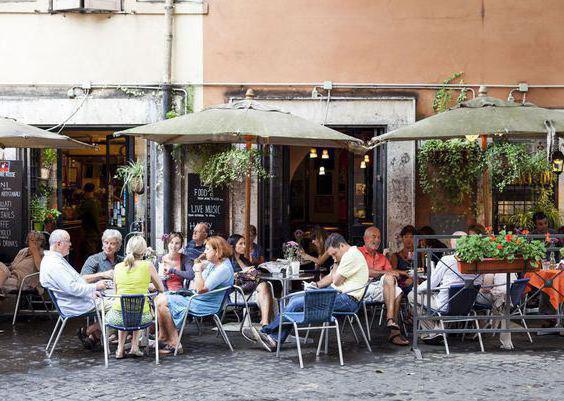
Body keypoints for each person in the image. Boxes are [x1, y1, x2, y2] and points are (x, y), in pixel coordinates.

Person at [258, 233, 369, 351]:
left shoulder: (350, 256)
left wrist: (336, 262)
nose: (333, 257)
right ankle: (274, 338)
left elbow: (336, 281)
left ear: (341, 246)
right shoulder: (348, 254)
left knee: (296, 303)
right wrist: (316, 285)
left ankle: (267, 331)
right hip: (338, 295)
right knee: (295, 300)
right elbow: (332, 277)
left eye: (334, 254)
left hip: (347, 300)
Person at [155, 236, 235, 354]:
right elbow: (203, 268)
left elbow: (200, 289)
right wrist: (201, 263)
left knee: (162, 301)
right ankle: (163, 337)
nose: (204, 252)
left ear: (217, 251)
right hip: (198, 298)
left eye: (207, 249)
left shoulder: (222, 269)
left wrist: (197, 270)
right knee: (159, 299)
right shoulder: (216, 263)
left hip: (204, 303)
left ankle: (174, 342)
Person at [39, 229, 110, 349]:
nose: (71, 244)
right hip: (75, 303)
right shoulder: (54, 264)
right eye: (68, 241)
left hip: (74, 300)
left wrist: (92, 291)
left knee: (114, 304)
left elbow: (73, 285)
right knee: (120, 307)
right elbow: (72, 288)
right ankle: (89, 331)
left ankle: (94, 336)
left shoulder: (53, 260)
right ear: (59, 244)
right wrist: (95, 286)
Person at [408, 231, 482, 344]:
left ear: (452, 244)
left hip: (444, 305)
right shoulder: (478, 262)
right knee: (438, 296)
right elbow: (479, 282)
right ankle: (438, 330)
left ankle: (433, 331)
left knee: (412, 296)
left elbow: (431, 284)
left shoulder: (447, 260)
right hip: (466, 306)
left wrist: (416, 289)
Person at [105, 236, 164, 359]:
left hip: (117, 318)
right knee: (137, 308)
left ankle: (120, 349)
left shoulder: (117, 267)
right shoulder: (148, 266)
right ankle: (134, 347)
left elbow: (117, 293)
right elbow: (161, 288)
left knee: (125, 306)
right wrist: (146, 286)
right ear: (143, 251)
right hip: (141, 318)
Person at [359, 226, 408, 346]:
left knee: (398, 290)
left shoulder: (382, 257)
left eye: (379, 237)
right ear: (365, 239)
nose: (377, 240)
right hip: (363, 287)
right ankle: (393, 329)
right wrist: (386, 273)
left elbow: (391, 274)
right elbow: (364, 272)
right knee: (391, 282)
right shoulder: (357, 252)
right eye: (373, 236)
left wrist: (394, 274)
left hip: (380, 289)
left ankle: (391, 323)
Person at [227, 234, 274, 332]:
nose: (244, 246)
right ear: (232, 246)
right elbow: (229, 276)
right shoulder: (227, 261)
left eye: (244, 243)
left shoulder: (244, 259)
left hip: (250, 287)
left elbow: (255, 272)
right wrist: (244, 273)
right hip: (236, 291)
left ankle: (266, 323)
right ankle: (266, 323)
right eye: (241, 244)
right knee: (264, 285)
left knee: (265, 285)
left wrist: (251, 272)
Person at [477, 273, 517, 350]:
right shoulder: (512, 272)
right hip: (510, 299)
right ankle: (483, 327)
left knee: (472, 297)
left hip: (501, 301)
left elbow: (486, 289)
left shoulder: (491, 272)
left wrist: (475, 289)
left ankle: (481, 328)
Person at [0, 232, 46, 296]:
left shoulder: (44, 254)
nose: (35, 242)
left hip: (23, 282)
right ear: (28, 241)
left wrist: (35, 252)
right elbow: (12, 266)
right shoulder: (23, 251)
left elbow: (41, 269)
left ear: (42, 242)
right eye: (32, 240)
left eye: (38, 240)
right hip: (11, 277)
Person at [390, 225, 417, 291]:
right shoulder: (395, 256)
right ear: (402, 238)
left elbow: (425, 270)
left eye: (411, 237)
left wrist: (414, 279)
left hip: (418, 282)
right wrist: (404, 272)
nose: (408, 240)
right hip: (403, 285)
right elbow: (392, 271)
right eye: (406, 237)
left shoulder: (420, 254)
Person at [77, 183, 101, 257]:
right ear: (93, 191)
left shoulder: (88, 203)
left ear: (85, 191)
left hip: (89, 233)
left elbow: (77, 214)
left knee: (91, 255)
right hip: (94, 233)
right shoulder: (96, 202)